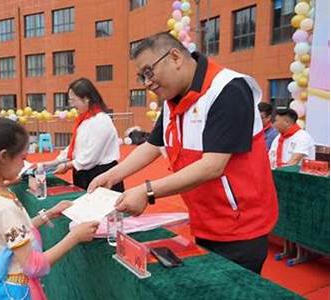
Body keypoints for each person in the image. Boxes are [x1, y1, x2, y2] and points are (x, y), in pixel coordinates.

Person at [88, 32, 278, 274]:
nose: (147, 83)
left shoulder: (227, 89)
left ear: (175, 56)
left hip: (240, 225)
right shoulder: (172, 100)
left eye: (149, 72)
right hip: (204, 219)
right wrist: (111, 175)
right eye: (142, 77)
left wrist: (147, 192)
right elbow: (153, 145)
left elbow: (213, 165)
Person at [0, 116, 99, 300]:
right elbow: (33, 265)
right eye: (23, 158)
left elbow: (12, 234)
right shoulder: (3, 207)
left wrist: (48, 214)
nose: (24, 164)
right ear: (3, 157)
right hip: (16, 291)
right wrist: (74, 237)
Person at [44, 78, 124, 192]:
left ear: (86, 99)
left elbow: (91, 157)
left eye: (73, 100)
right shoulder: (84, 119)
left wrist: (67, 166)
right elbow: (75, 147)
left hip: (101, 174)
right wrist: (55, 162)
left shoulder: (101, 121)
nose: (71, 104)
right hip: (84, 173)